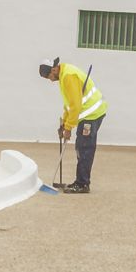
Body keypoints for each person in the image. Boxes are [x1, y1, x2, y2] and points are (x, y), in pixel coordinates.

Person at [38, 57, 106, 193]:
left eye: (49, 77)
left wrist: (68, 128)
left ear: (54, 69)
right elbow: (69, 104)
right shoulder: (63, 75)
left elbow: (76, 106)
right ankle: (81, 182)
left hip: (91, 115)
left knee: (84, 148)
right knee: (81, 146)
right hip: (88, 115)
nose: (51, 80)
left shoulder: (68, 77)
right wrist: (64, 123)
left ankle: (82, 184)